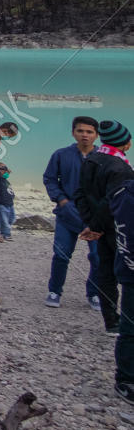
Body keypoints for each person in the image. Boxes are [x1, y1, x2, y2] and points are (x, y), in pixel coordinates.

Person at [73, 119, 134, 336]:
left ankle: (111, 321)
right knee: (126, 273)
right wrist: (97, 226)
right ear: (124, 143)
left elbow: (80, 193)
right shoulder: (121, 168)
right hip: (118, 227)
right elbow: (114, 201)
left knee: (105, 272)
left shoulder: (92, 159)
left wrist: (90, 223)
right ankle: (125, 320)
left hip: (99, 227)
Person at [43, 116, 102, 308]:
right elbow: (50, 179)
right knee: (61, 254)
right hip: (66, 214)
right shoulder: (61, 155)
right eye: (81, 131)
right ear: (73, 132)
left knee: (97, 257)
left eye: (89, 132)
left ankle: (94, 293)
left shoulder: (104, 158)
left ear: (96, 135)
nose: (85, 135)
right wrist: (62, 200)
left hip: (94, 218)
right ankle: (54, 291)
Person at [104, 174, 134, 403]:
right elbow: (126, 239)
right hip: (131, 273)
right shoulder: (127, 197)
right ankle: (126, 379)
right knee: (130, 327)